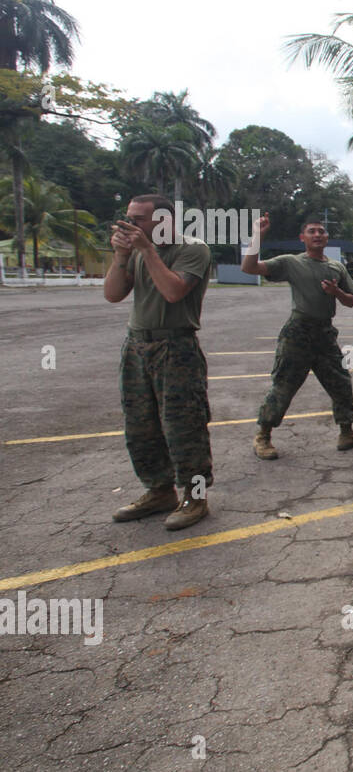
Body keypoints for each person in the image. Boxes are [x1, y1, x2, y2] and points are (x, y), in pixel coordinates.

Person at [104, 193, 214, 530]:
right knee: (141, 426)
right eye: (128, 217)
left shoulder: (192, 249)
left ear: (164, 221)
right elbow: (112, 294)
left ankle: (195, 498)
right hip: (137, 346)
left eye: (138, 219)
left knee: (185, 428)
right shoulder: (136, 253)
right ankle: (159, 491)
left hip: (175, 348)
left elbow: (173, 291)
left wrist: (147, 251)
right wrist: (121, 255)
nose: (130, 224)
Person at [242, 216, 353, 459]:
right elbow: (249, 268)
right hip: (298, 332)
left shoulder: (336, 267)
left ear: (327, 238)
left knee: (341, 383)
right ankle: (263, 437)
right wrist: (258, 235)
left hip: (325, 335)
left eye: (321, 231)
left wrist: (336, 292)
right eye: (312, 231)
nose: (317, 234)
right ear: (303, 238)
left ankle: (346, 433)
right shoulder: (291, 263)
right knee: (284, 386)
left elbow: (350, 301)